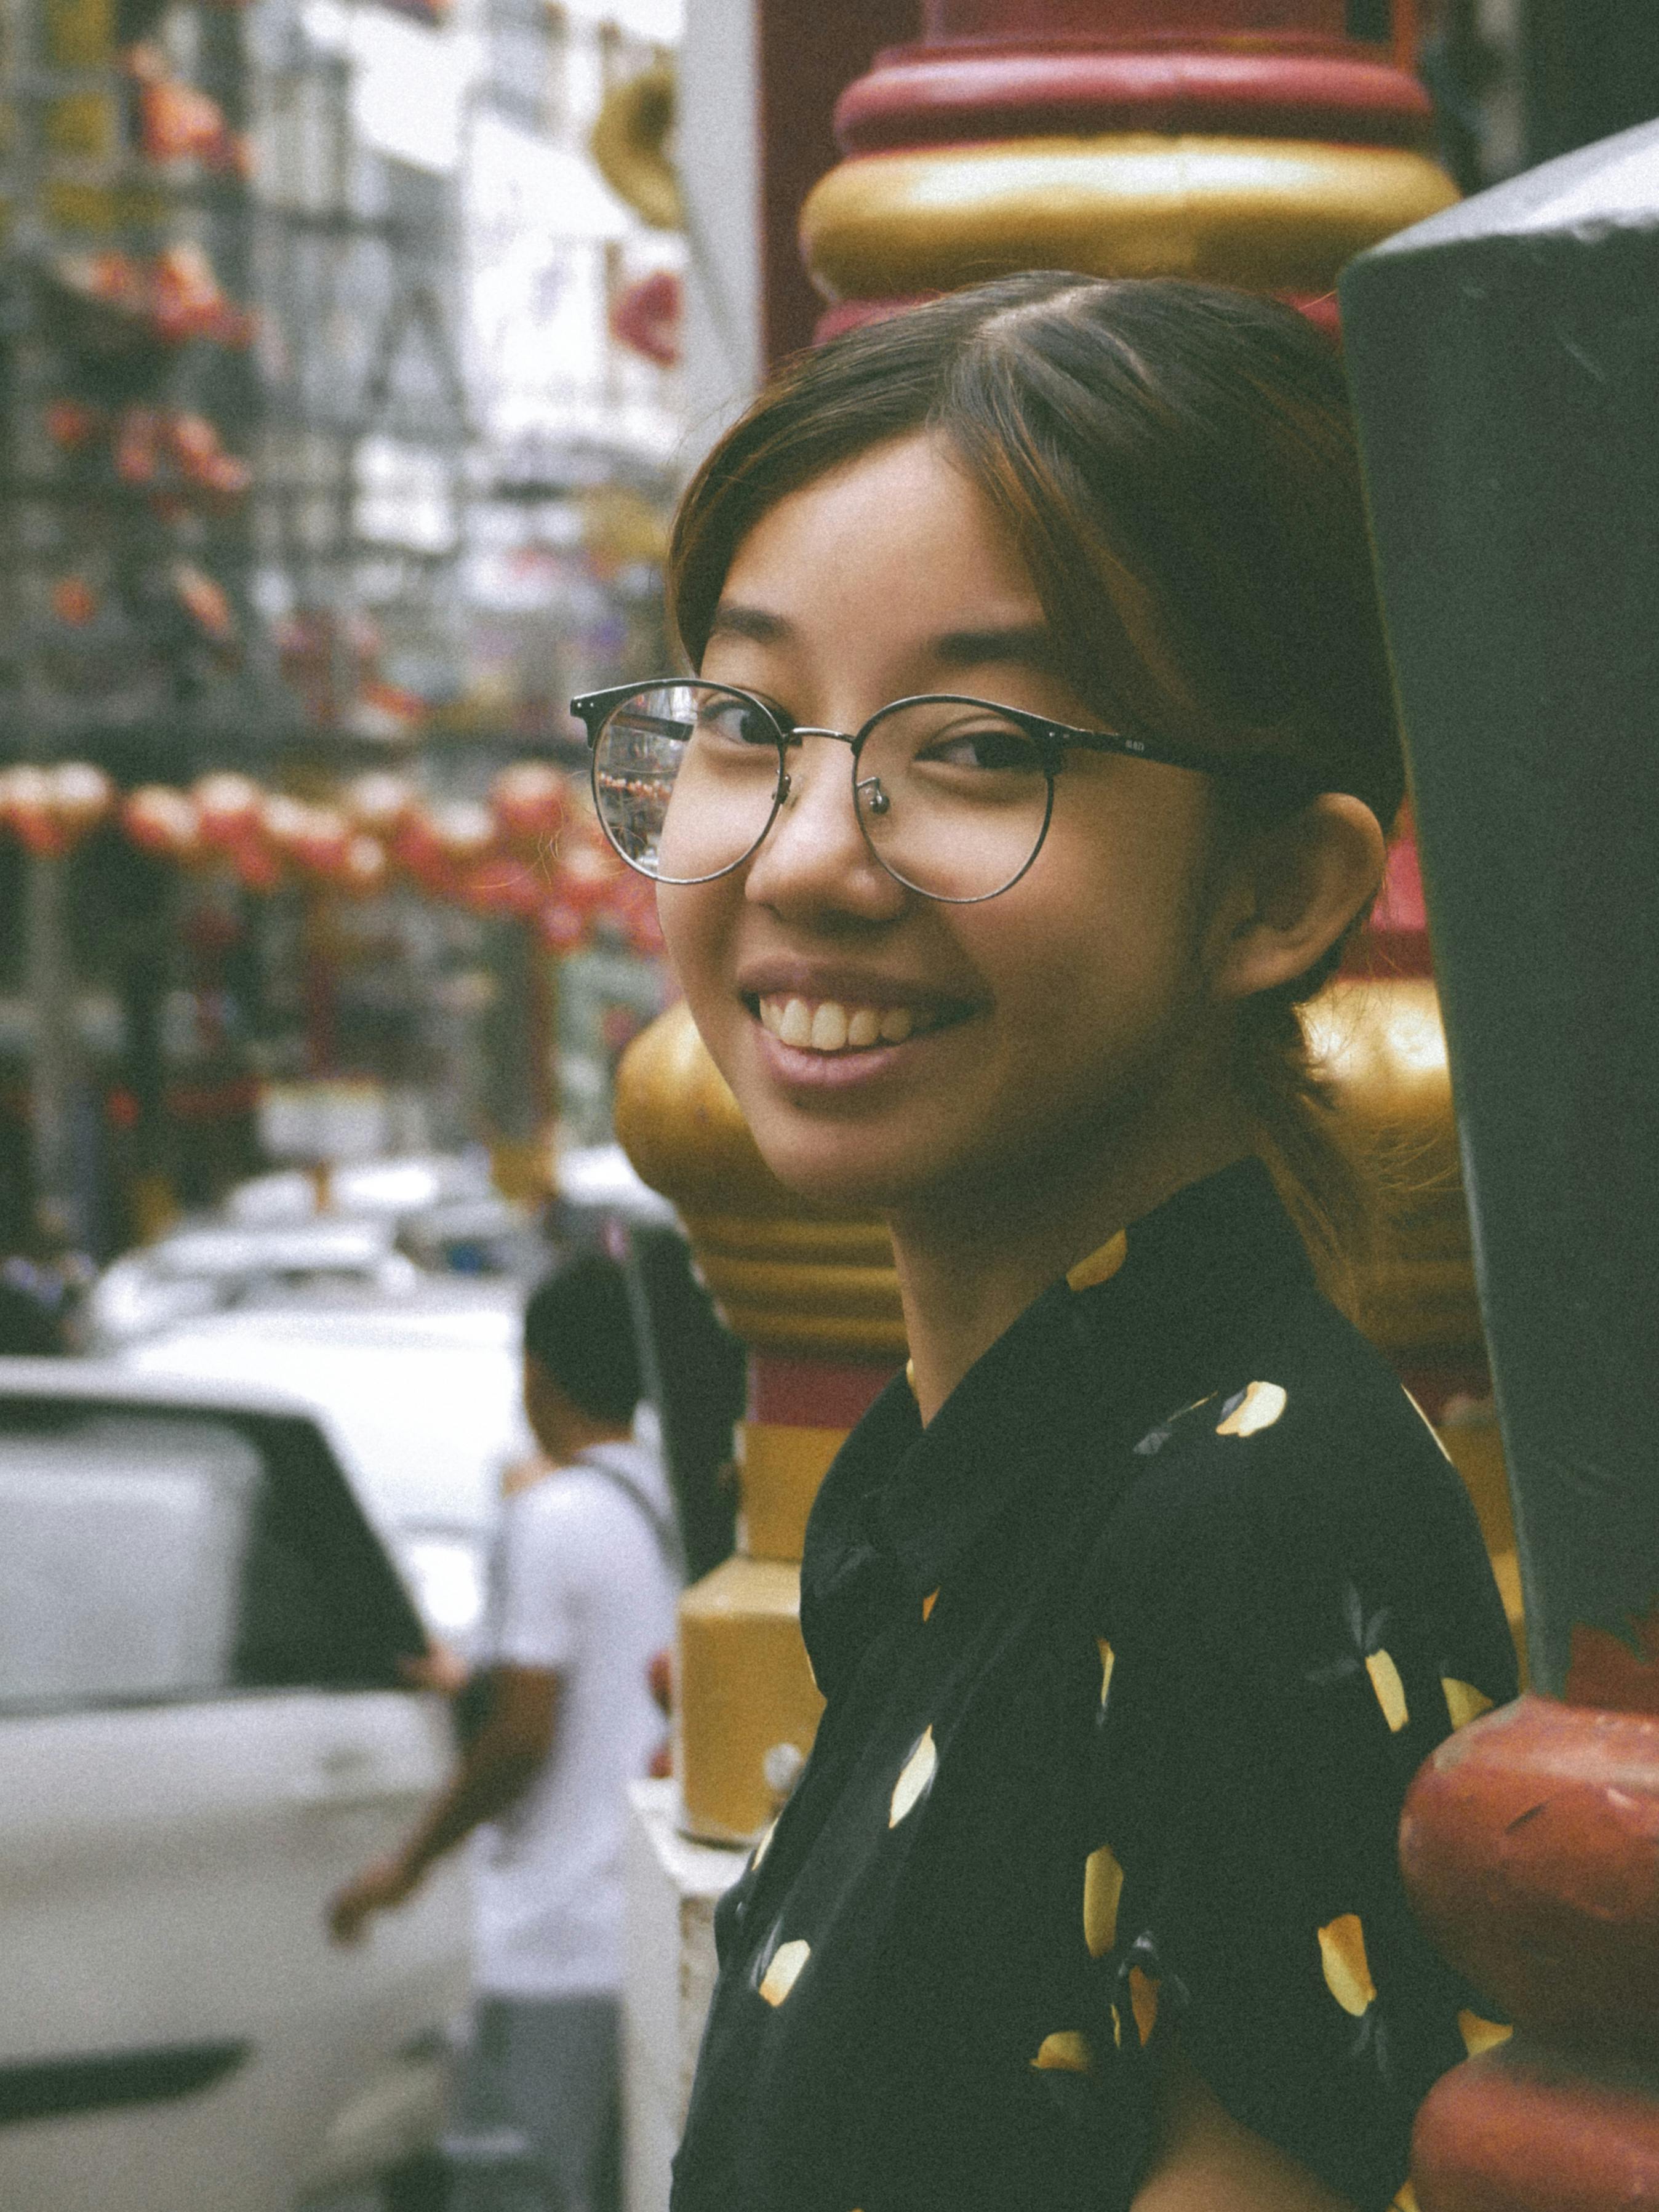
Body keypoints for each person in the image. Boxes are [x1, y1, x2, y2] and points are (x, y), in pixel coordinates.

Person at [569, 274, 1518, 2212]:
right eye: (749, 721)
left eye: (984, 748)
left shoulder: (1252, 1524)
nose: (811, 853)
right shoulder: (970, 1491)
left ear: (1275, 891)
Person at [329, 1250, 681, 2212]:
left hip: (555, 1934)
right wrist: (473, 1675)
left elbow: (526, 1736)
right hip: (637, 1928)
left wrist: (408, 1860)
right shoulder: (662, 1499)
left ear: (536, 1372)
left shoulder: (551, 1513)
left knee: (514, 2187)